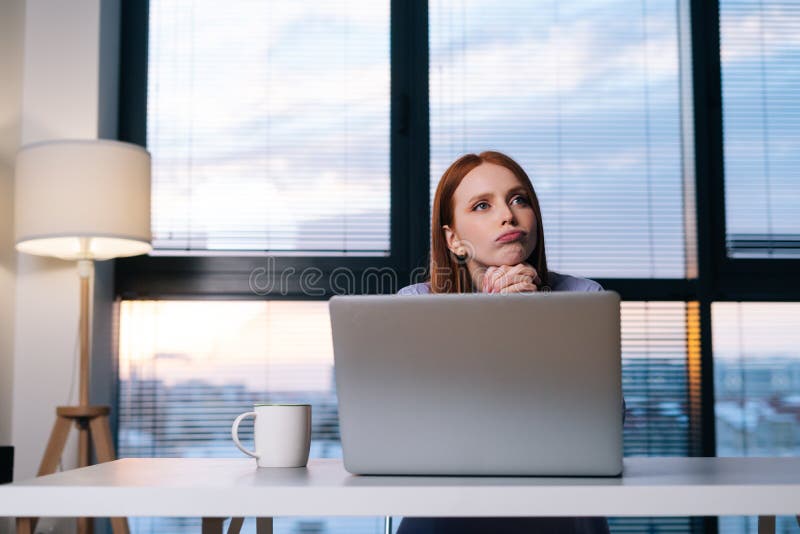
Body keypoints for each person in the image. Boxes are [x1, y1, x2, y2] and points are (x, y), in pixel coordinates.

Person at [395, 151, 616, 534]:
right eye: (482, 205)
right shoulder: (415, 305)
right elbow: (418, 432)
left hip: (561, 517)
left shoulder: (584, 296)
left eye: (519, 199)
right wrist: (491, 316)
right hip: (445, 515)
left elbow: (605, 425)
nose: (508, 215)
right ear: (454, 239)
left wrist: (533, 320)